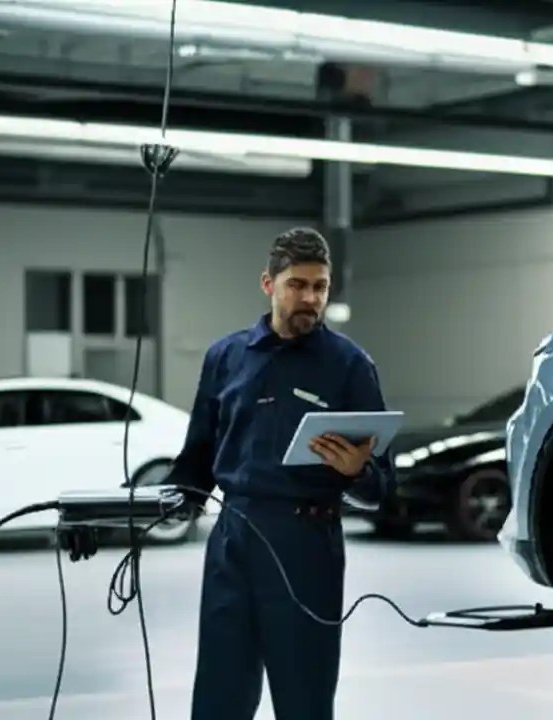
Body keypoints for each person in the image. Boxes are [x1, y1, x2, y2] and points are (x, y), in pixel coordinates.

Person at [165, 227, 396, 720]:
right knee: (219, 696)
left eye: (320, 287)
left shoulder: (350, 365)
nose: (310, 298)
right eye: (298, 285)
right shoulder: (226, 358)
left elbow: (382, 488)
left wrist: (357, 471)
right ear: (268, 284)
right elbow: (197, 460)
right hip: (232, 542)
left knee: (304, 699)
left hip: (306, 546)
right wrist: (151, 506)